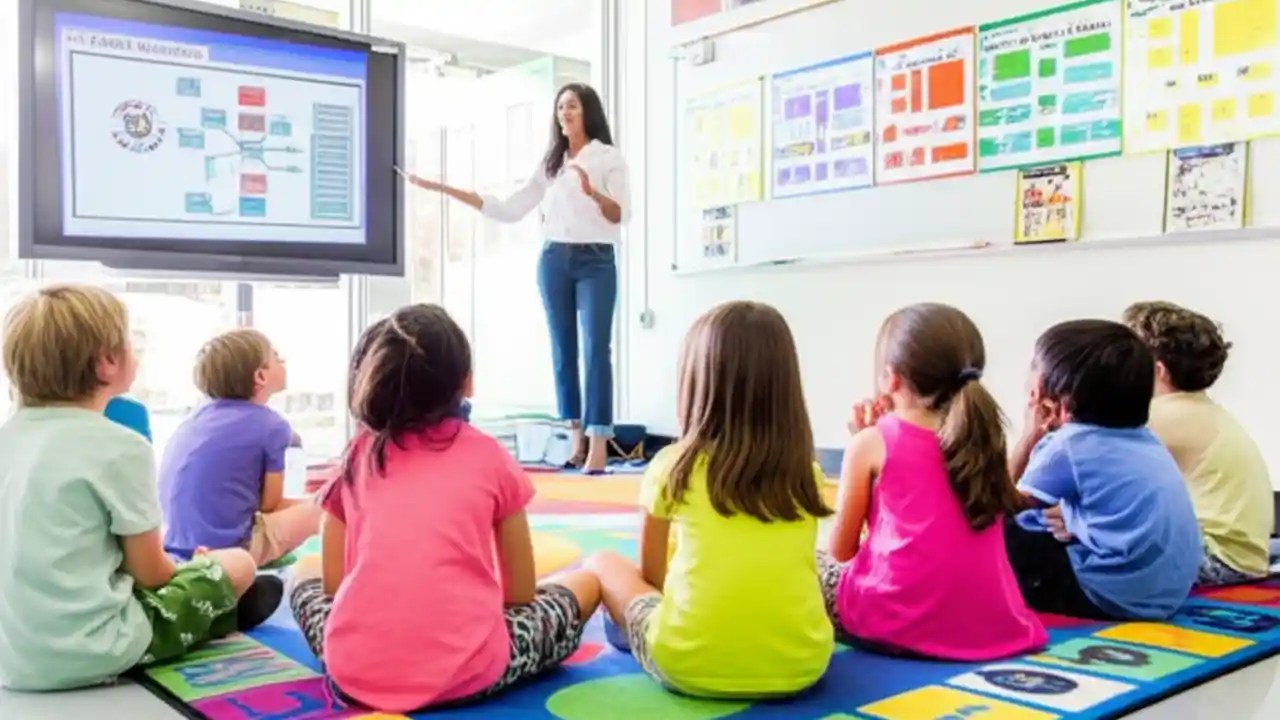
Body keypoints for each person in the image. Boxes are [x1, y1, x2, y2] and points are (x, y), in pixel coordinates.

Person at [287, 304, 600, 713]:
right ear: (467, 384)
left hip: (353, 670)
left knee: (300, 573)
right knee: (588, 582)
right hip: (469, 673)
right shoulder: (489, 456)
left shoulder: (358, 453)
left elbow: (331, 585)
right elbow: (521, 592)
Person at [0, 285, 280, 691]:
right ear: (108, 362)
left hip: (12, 658)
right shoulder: (121, 447)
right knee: (238, 564)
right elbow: (151, 573)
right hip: (94, 649)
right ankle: (218, 611)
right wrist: (194, 569)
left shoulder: (7, 438)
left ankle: (220, 610)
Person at [583, 301, 833, 699]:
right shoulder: (808, 474)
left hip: (685, 663)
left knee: (602, 563)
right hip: (803, 665)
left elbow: (652, 577)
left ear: (697, 382)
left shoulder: (671, 466)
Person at [402, 83, 630, 473]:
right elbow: (509, 210)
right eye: (560, 107)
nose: (565, 114)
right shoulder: (552, 163)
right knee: (563, 353)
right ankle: (575, 438)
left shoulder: (608, 157)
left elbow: (620, 214)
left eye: (572, 106)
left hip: (596, 259)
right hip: (555, 258)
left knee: (596, 349)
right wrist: (443, 188)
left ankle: (598, 443)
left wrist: (592, 193)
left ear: (588, 111)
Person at [822, 304, 1045, 660]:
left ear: (890, 378)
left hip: (891, 623)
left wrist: (861, 443)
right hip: (992, 624)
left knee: (811, 564)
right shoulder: (985, 439)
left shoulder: (870, 443)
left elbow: (841, 551)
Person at [1007, 319, 1202, 620]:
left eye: (1034, 365)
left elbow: (997, 504)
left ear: (1059, 397)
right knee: (1037, 521)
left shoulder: (1069, 444)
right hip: (1166, 593)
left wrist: (1029, 434)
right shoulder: (1145, 437)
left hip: (1107, 596)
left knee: (1000, 530)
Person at [1124, 301, 1274, 586]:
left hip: (1217, 558)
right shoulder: (1199, 409)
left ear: (1157, 371)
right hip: (1241, 555)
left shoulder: (1160, 416)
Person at [159, 329, 320, 565]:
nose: (283, 360)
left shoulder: (196, 417)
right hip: (230, 551)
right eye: (275, 356)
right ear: (260, 377)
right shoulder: (273, 425)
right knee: (328, 508)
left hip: (176, 547)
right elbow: (270, 505)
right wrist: (313, 499)